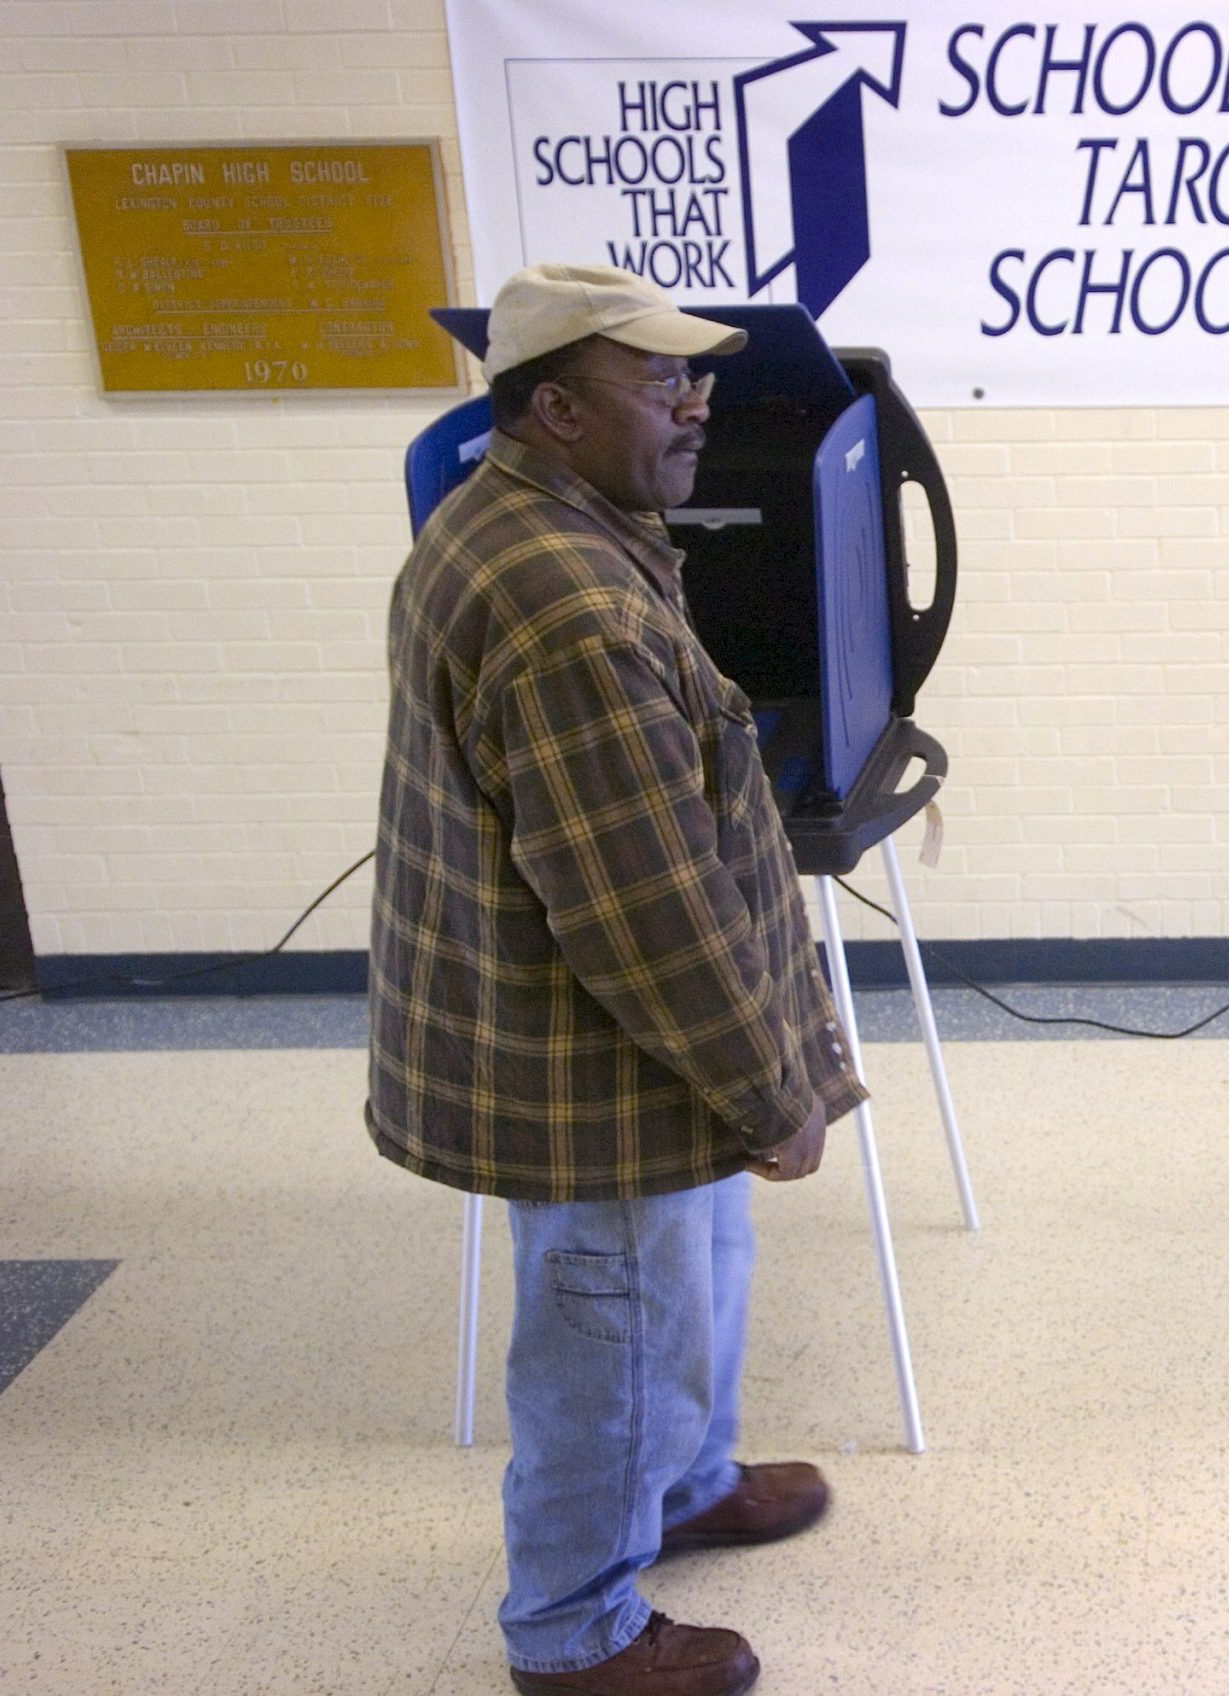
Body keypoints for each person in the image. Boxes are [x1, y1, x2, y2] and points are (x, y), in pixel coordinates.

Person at [368, 263, 867, 1696]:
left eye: (694, 375)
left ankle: (688, 1482)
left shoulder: (550, 524)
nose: (697, 400)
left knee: (694, 1271)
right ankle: (573, 1630)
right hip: (592, 1061)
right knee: (612, 1330)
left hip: (606, 1045)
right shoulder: (565, 600)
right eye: (661, 381)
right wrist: (773, 1087)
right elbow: (643, 914)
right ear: (557, 410)